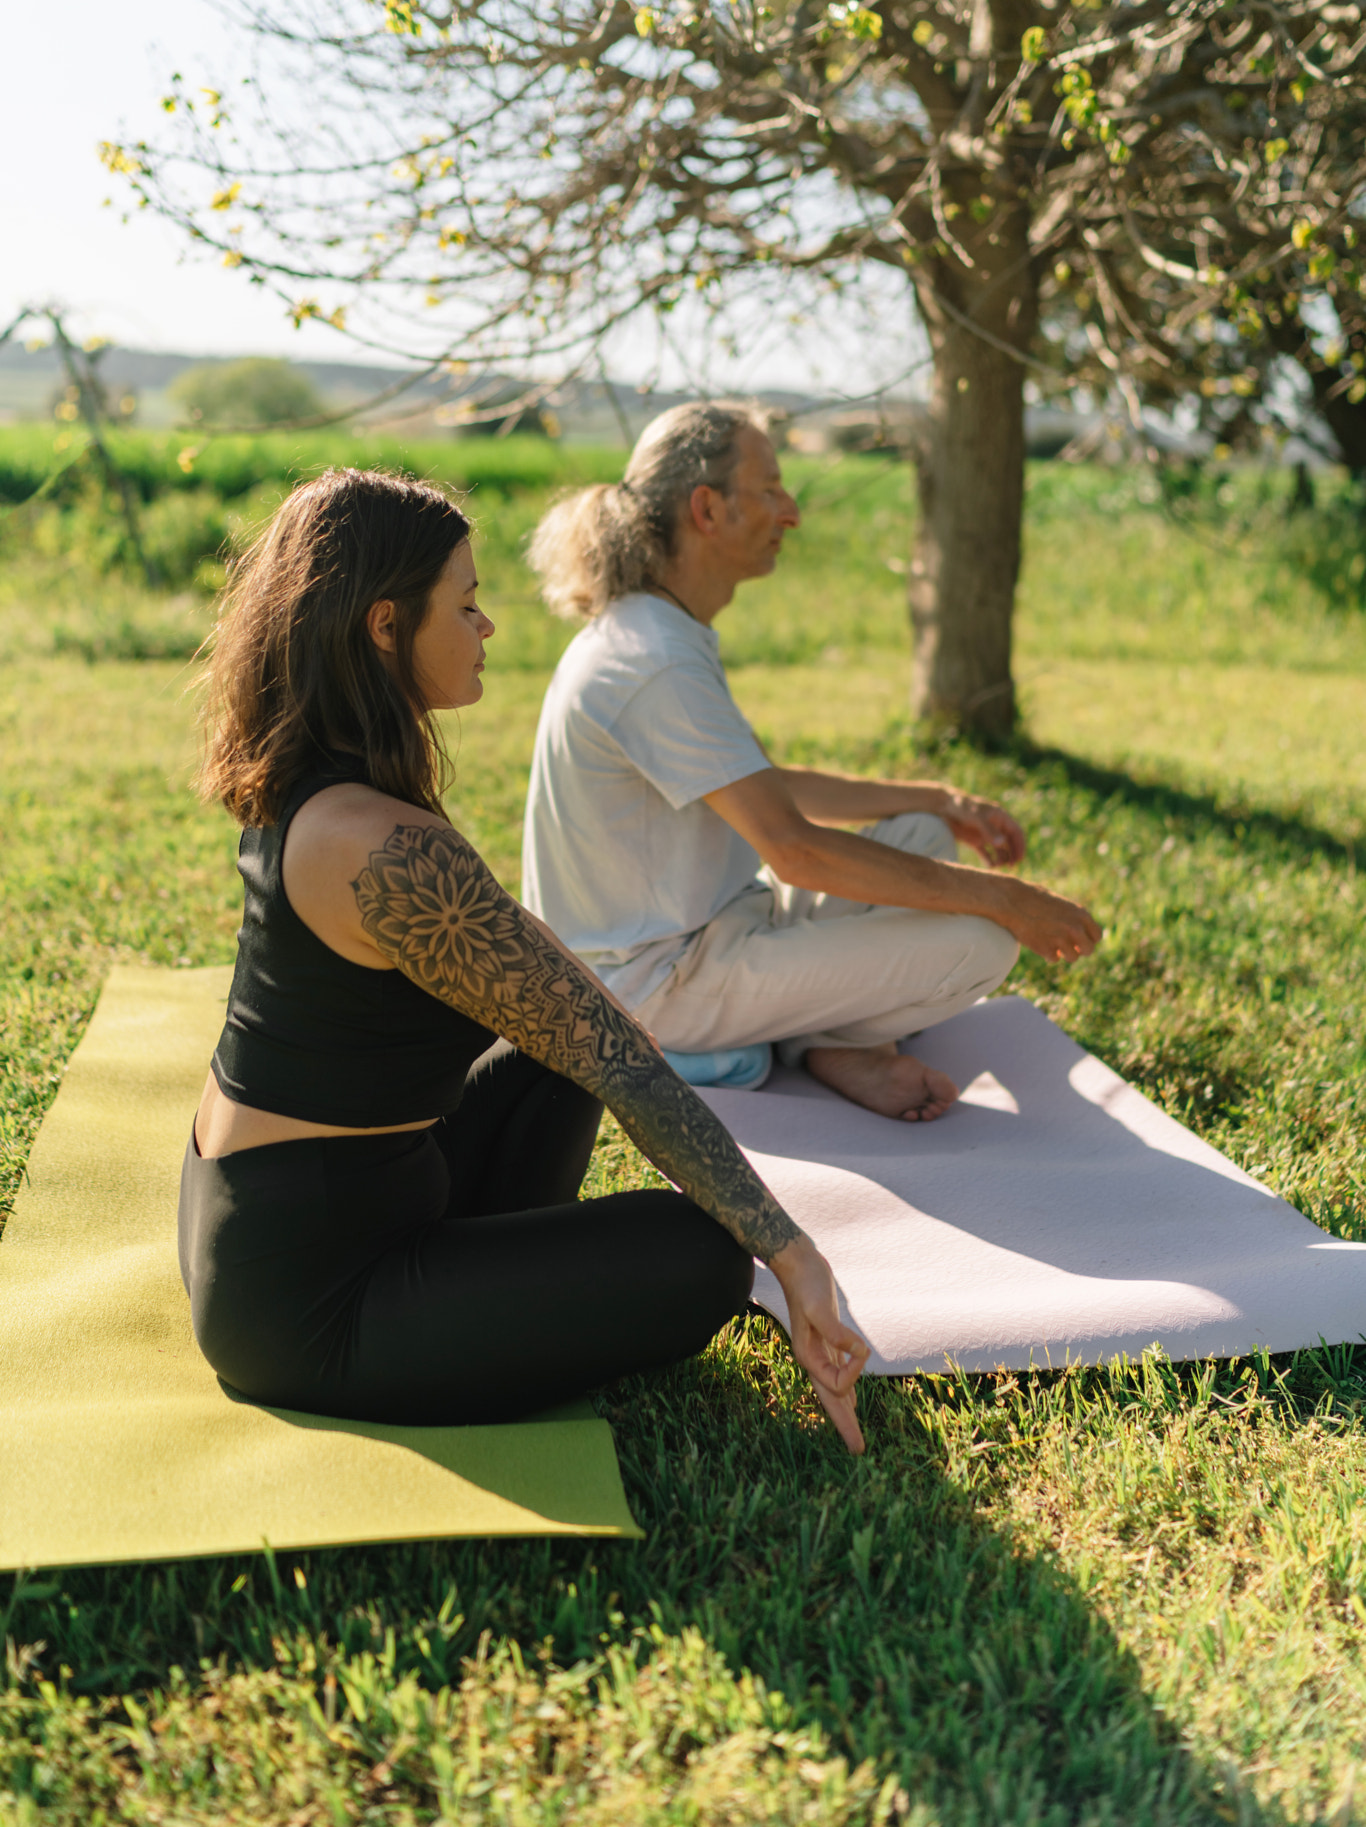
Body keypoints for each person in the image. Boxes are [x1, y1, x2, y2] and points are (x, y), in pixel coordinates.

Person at [180, 468, 868, 1449]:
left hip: (294, 1210)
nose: (487, 625)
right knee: (701, 1258)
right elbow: (622, 1059)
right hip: (311, 1300)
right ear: (384, 626)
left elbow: (581, 1023)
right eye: (462, 605)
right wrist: (792, 1256)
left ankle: (481, 1284)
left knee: (563, 1046)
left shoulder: (324, 781)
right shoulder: (380, 847)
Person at [522, 403, 1102, 1122]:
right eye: (769, 489)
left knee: (920, 832)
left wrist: (937, 798)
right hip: (653, 986)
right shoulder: (653, 660)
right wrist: (1006, 900)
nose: (790, 512)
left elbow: (766, 788)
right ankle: (823, 1043)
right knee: (980, 942)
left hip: (723, 926)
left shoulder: (659, 629)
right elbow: (793, 849)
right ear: (707, 508)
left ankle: (822, 1041)